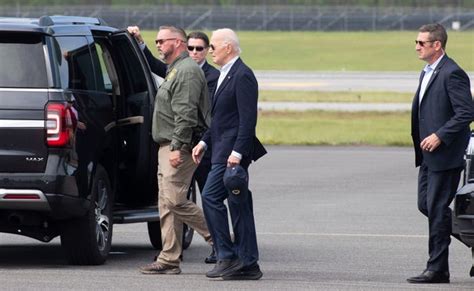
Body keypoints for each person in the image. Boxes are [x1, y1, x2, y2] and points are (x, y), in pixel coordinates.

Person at [127, 26, 218, 264]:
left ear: (178, 42)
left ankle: (220, 240)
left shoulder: (186, 72)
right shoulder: (175, 69)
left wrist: (178, 146)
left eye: (161, 41)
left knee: (175, 200)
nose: (158, 44)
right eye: (155, 41)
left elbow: (186, 114)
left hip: (179, 145)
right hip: (166, 144)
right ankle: (169, 258)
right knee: (166, 203)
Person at [192, 28, 267, 280]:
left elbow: (248, 121)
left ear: (228, 47)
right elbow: (219, 119)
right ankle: (249, 264)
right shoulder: (225, 73)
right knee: (239, 206)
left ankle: (227, 255)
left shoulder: (243, 75)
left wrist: (237, 152)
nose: (209, 50)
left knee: (211, 197)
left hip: (231, 154)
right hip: (219, 150)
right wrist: (203, 142)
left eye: (212, 46)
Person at [407, 23, 474, 284]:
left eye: (422, 43)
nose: (416, 46)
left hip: (445, 153)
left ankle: (437, 269)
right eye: (416, 41)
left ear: (437, 45)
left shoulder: (452, 72)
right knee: (427, 205)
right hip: (428, 155)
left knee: (435, 208)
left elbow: (466, 112)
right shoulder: (427, 72)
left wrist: (440, 135)